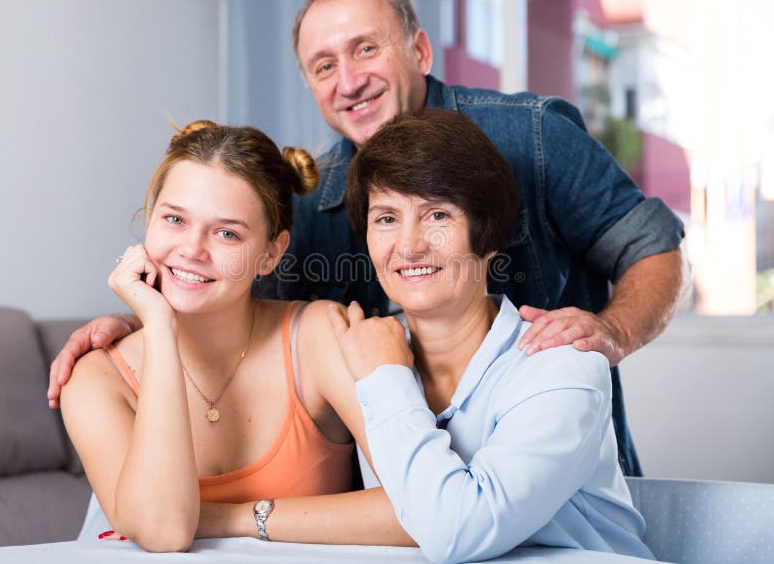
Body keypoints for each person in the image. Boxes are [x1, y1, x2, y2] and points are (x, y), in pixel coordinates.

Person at [48, 0, 687, 476]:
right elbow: (242, 313)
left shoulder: (533, 136)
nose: (349, 80)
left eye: (365, 49)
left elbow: (652, 247)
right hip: (396, 479)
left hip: (550, 469)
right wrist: (144, 320)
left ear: (419, 50)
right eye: (324, 65)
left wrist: (610, 331)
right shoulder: (310, 201)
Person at [217, 109, 654, 562]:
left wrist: (387, 376)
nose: (408, 245)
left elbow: (457, 531)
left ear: (487, 236)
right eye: (386, 218)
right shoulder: (367, 346)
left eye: (437, 215)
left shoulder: (561, 367)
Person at [59, 122, 367, 551]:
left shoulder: (318, 337)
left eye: (227, 233)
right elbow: (164, 532)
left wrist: (232, 518)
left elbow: (418, 512)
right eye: (174, 219)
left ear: (271, 254)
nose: (192, 249)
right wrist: (159, 328)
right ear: (150, 221)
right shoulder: (94, 379)